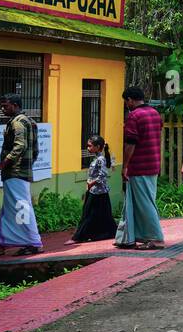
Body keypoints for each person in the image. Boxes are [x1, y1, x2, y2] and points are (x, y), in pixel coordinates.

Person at [0, 94, 43, 256]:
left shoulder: (17, 123)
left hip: (15, 172)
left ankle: (32, 241)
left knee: (21, 207)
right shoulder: (30, 121)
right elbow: (35, 151)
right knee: (12, 207)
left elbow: (20, 146)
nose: (2, 109)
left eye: (5, 106)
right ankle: (0, 242)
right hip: (21, 171)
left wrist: (1, 165)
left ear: (14, 105)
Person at [117, 86, 165, 249]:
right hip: (153, 164)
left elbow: (131, 144)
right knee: (143, 201)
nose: (126, 105)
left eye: (126, 101)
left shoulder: (134, 116)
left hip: (139, 166)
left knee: (144, 203)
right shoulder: (154, 113)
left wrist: (125, 166)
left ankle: (155, 238)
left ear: (130, 99)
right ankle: (130, 236)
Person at [69, 135, 117, 243]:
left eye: (90, 146)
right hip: (96, 191)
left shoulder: (100, 160)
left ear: (98, 146)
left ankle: (79, 237)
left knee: (88, 214)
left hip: (97, 192)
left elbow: (102, 176)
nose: (88, 148)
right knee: (103, 214)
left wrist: (91, 183)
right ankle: (105, 233)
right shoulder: (97, 159)